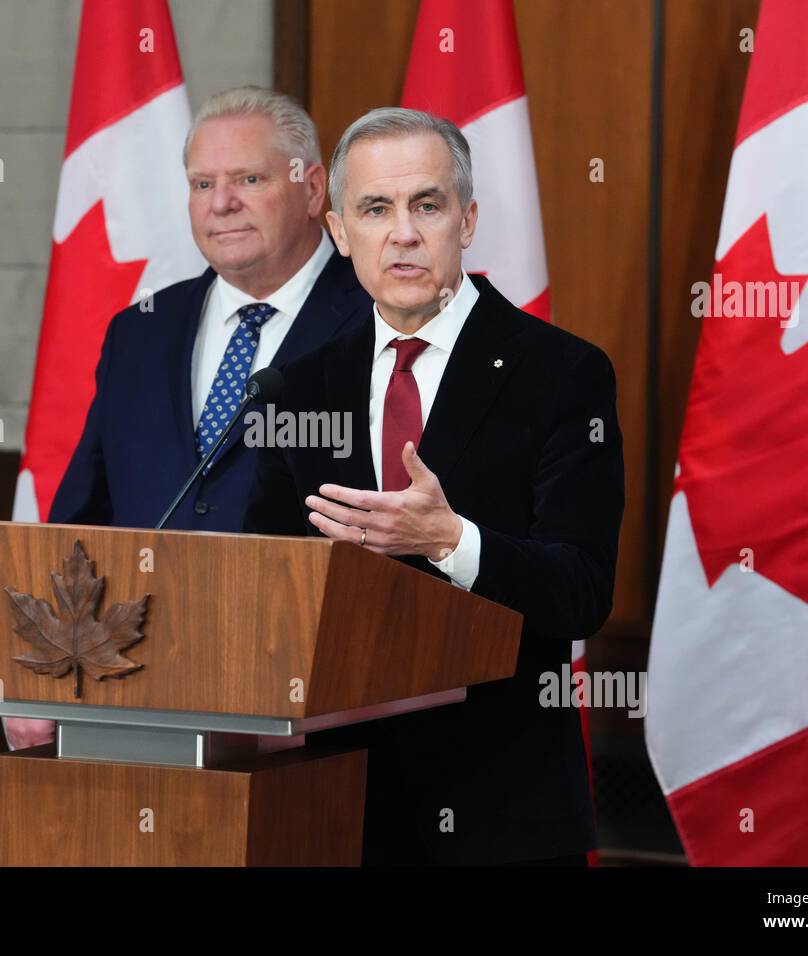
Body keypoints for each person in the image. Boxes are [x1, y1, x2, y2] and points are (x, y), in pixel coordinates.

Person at [243, 107, 624, 865]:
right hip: (333, 809)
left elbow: (582, 592)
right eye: (375, 209)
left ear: (467, 220)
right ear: (339, 231)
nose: (404, 234)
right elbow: (264, 581)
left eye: (427, 205)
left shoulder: (562, 374)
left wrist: (452, 541)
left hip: (500, 816)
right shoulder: (298, 387)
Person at [5, 87, 370, 750]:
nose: (220, 203)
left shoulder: (381, 323)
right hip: (140, 698)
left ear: (313, 187)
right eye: (202, 184)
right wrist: (46, 665)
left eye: (249, 180)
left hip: (316, 711)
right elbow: (83, 521)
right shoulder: (141, 331)